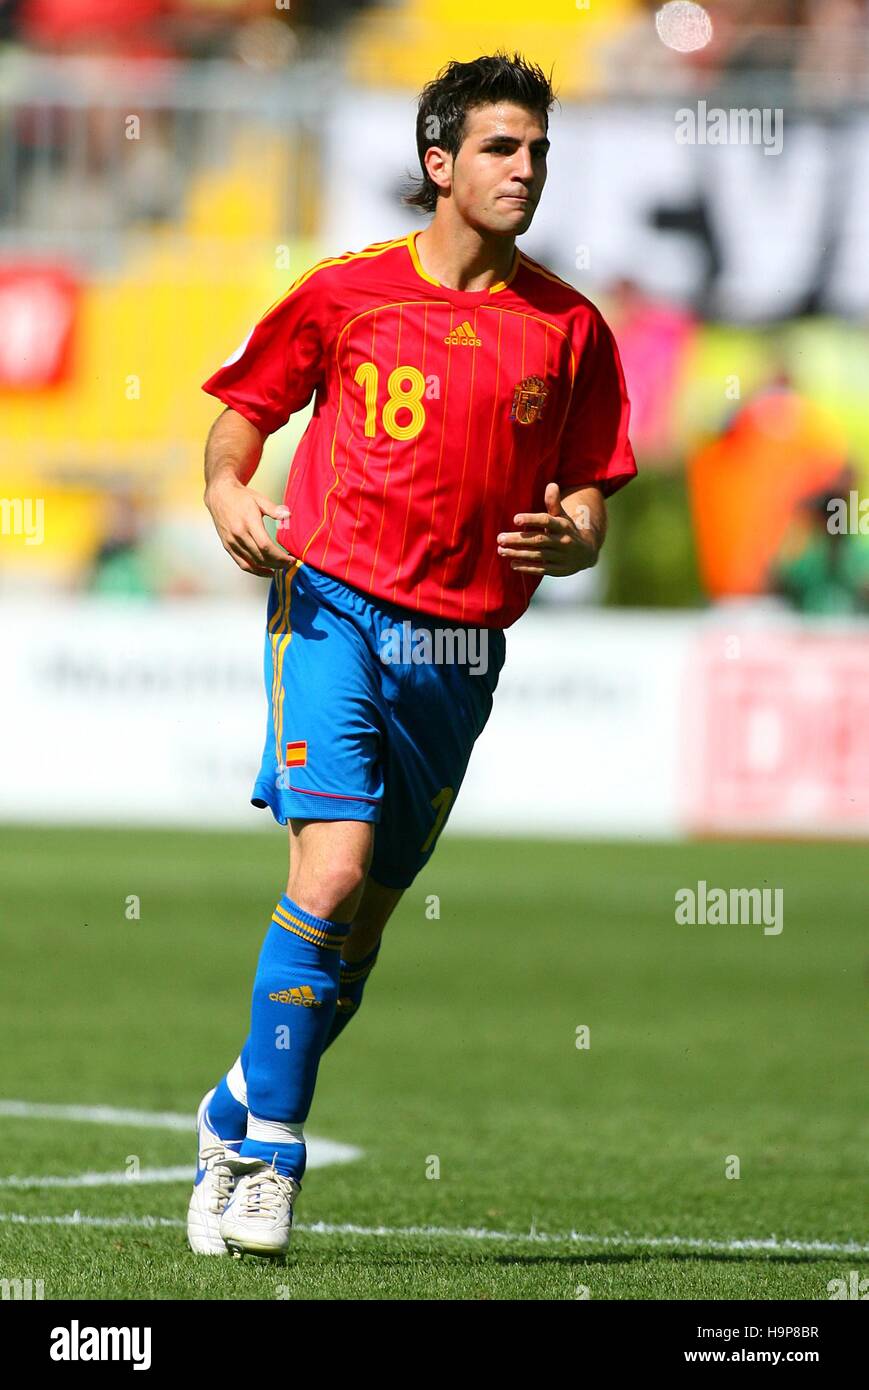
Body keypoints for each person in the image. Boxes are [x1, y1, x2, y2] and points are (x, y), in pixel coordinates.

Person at [190, 50, 636, 1259]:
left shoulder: (568, 327)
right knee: (326, 876)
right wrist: (229, 491)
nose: (524, 169)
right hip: (330, 608)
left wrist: (575, 537)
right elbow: (240, 422)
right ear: (438, 163)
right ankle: (271, 1164)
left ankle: (232, 1104)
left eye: (538, 150)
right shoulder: (346, 295)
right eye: (500, 148)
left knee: (363, 931)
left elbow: (591, 496)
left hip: (458, 650)